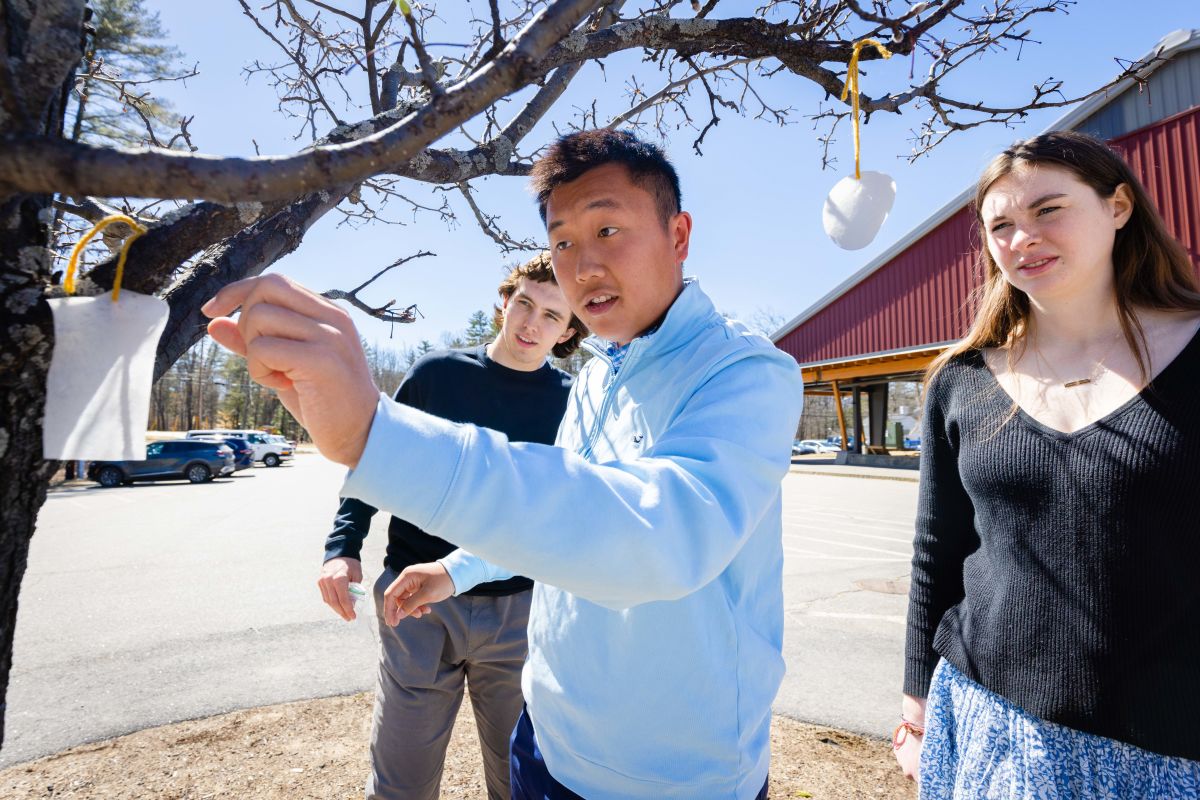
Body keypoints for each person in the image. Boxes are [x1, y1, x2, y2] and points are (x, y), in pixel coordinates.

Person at [203, 129, 804, 799]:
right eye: (563, 241)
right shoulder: (596, 378)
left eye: (608, 229)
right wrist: (459, 569)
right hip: (544, 741)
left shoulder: (746, 374)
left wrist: (378, 434)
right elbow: (569, 513)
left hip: (677, 779)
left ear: (679, 235)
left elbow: (656, 537)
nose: (582, 265)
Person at [894, 130, 1200, 796]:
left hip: (1165, 750)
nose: (1020, 237)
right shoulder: (963, 379)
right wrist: (917, 704)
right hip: (986, 723)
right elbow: (937, 552)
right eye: (999, 224)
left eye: (1048, 210)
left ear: (1118, 207)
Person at [317, 253, 584, 800]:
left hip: (520, 611)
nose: (532, 323)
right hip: (417, 606)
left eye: (553, 316)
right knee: (402, 781)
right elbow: (374, 463)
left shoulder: (571, 403)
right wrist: (342, 547)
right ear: (503, 303)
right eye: (525, 304)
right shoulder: (436, 375)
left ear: (568, 332)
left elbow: (565, 508)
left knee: (519, 779)